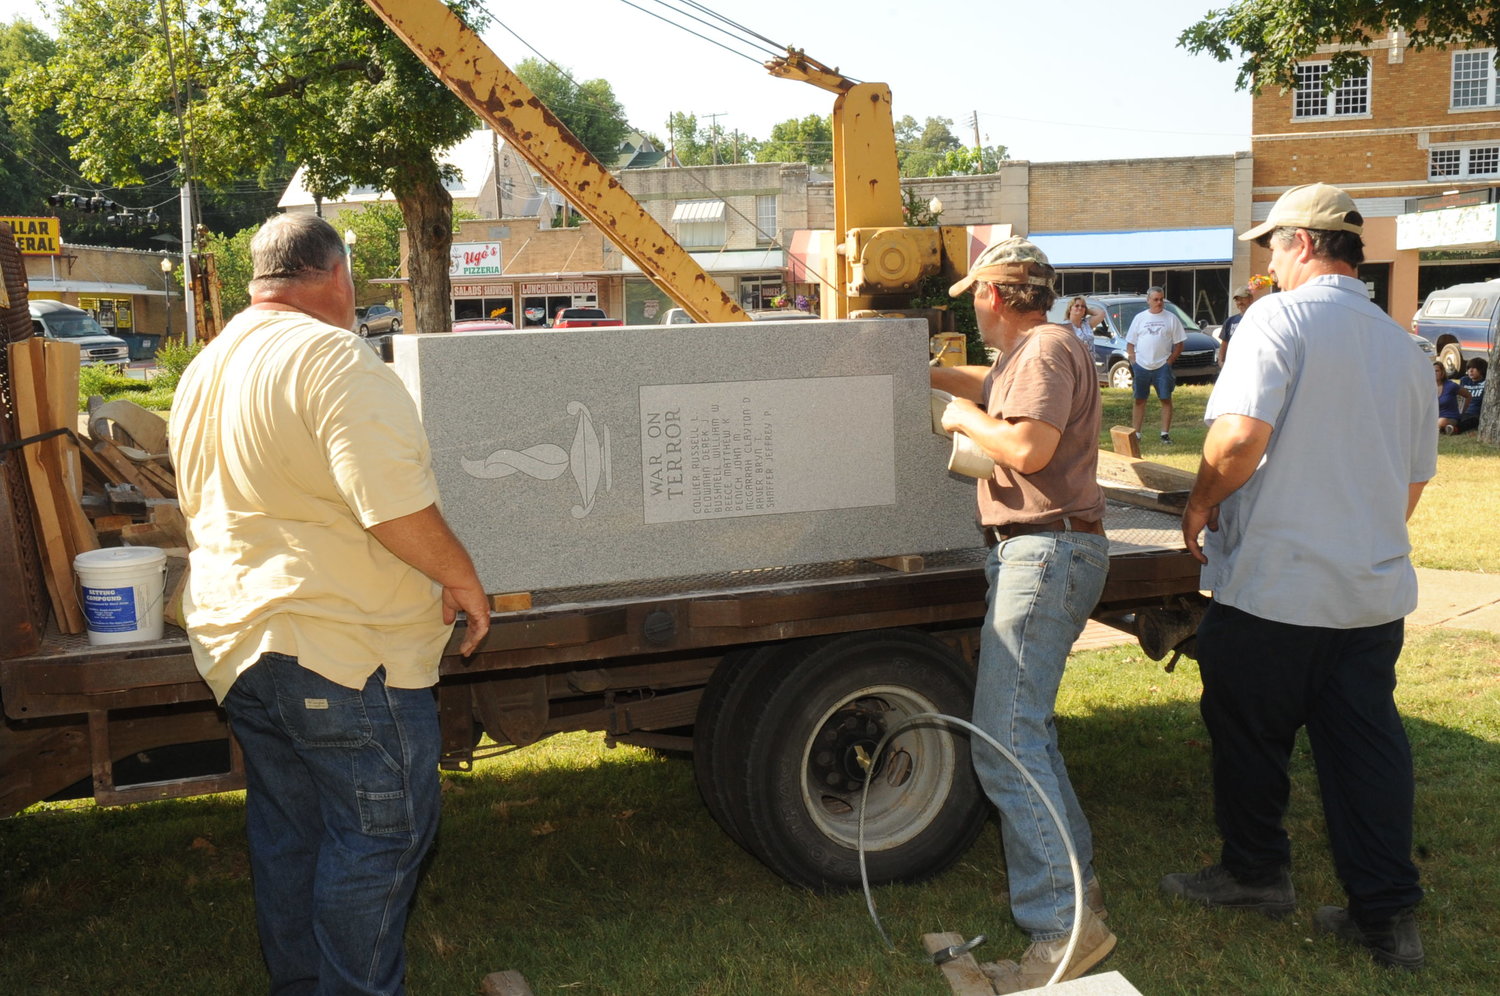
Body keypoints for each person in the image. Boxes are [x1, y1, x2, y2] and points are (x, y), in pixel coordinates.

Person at [170, 213, 491, 995]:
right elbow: (390, 505)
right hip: (343, 653)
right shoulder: (333, 357)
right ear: (338, 276)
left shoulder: (206, 368)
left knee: (292, 836)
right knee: (380, 841)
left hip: (239, 647)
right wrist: (463, 580)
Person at [1162, 183, 1436, 972]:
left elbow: (1240, 435)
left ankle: (1255, 874)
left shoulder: (1278, 318)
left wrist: (1200, 503)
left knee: (1247, 733)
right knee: (1366, 750)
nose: (1268, 260)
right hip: (1368, 592)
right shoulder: (1403, 346)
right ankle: (1386, 919)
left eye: (1273, 245)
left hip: (1279, 586)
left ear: (1306, 245)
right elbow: (1412, 483)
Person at [932, 237, 1114, 991]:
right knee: (1025, 735)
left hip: (1045, 553)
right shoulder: (1036, 349)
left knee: (1003, 742)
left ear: (996, 296)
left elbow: (1029, 448)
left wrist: (961, 419)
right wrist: (918, 370)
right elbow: (983, 378)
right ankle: (1080, 902)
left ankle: (1062, 932)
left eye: (976, 293)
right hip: (1044, 553)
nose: (972, 304)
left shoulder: (1041, 351)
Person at [1124, 287, 1185, 444]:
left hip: (1162, 367)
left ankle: (1164, 434)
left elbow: (1179, 344)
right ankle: (1136, 434)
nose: (1159, 302)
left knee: (1165, 399)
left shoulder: (1171, 318)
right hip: (1141, 366)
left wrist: (1170, 361)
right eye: (1156, 299)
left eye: (1161, 299)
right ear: (1148, 300)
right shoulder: (1140, 318)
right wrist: (1133, 361)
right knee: (1139, 399)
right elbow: (1130, 343)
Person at [1217, 285, 1252, 366]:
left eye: (1242, 298)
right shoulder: (1230, 321)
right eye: (1237, 300)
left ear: (1251, 299)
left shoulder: (1258, 319)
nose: (1239, 302)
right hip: (1233, 365)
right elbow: (1224, 343)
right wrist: (1221, 361)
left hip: (1251, 365)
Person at [1457, 356, 1487, 434]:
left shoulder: (1486, 382)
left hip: (1476, 414)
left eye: (1474, 368)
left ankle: (1455, 429)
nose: (1470, 370)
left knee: (1472, 421)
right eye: (1469, 368)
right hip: (1463, 412)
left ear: (1481, 370)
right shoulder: (1464, 380)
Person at [1436, 362, 1462, 435]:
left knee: (1440, 422)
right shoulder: (1429, 387)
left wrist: (1463, 410)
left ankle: (1443, 428)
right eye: (1432, 371)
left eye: (1437, 371)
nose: (1434, 373)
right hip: (1435, 417)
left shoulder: (1451, 385)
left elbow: (1468, 395)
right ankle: (1449, 429)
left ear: (1442, 372)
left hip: (1450, 417)